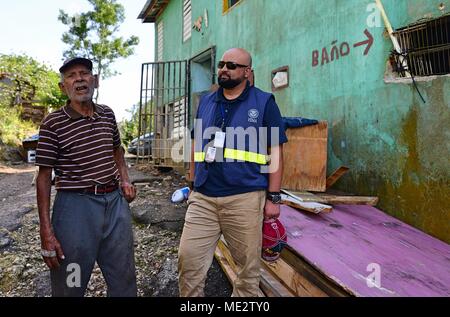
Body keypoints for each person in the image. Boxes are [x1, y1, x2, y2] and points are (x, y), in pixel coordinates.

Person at [178, 48, 288, 297]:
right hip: (203, 197)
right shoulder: (206, 101)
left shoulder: (264, 102)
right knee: (188, 261)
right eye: (221, 64)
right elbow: (197, 143)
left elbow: (276, 152)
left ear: (247, 72)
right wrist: (192, 180)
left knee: (248, 270)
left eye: (232, 65)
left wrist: (274, 197)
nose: (224, 69)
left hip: (245, 197)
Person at [35, 57, 137, 297]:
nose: (79, 78)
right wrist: (46, 231)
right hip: (75, 209)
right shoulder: (53, 123)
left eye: (84, 73)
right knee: (71, 281)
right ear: (63, 87)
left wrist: (124, 179)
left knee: (124, 277)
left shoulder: (107, 114)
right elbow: (44, 175)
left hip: (114, 204)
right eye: (71, 76)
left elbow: (117, 149)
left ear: (96, 81)